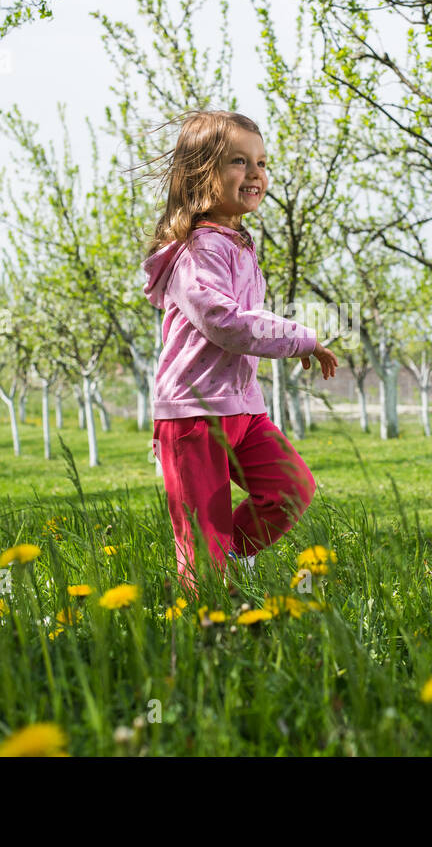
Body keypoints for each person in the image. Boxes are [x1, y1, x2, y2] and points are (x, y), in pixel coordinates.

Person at [140, 110, 338, 596]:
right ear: (199, 174)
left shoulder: (237, 244)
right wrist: (300, 338)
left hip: (243, 407)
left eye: (262, 162)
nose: (255, 174)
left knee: (290, 489)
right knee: (201, 531)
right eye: (238, 161)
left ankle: (227, 559)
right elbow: (224, 322)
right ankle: (205, 622)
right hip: (194, 413)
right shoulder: (198, 249)